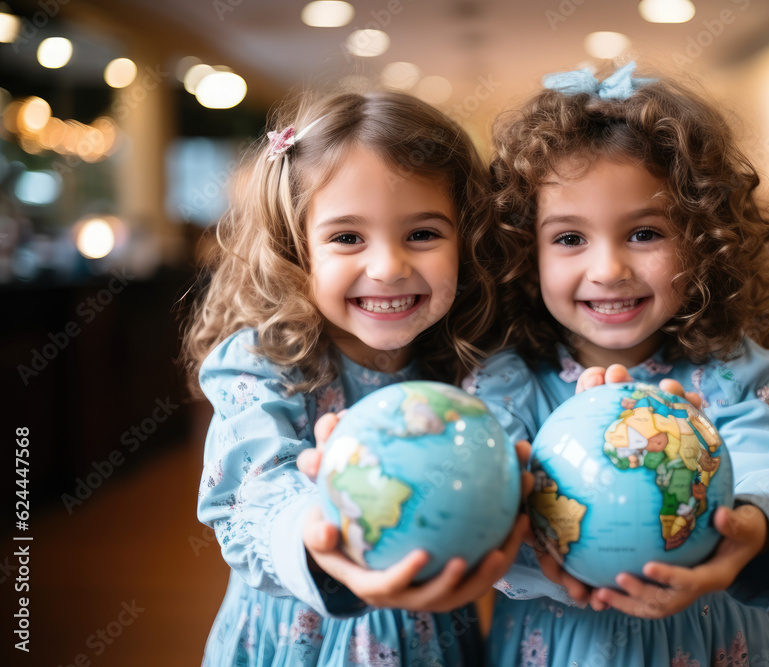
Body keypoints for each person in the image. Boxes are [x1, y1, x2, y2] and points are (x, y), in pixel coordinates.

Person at [467, 62, 769, 665]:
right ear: (522, 249)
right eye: (569, 238)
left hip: (706, 639)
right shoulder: (507, 381)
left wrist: (747, 524)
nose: (610, 269)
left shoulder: (725, 371)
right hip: (560, 645)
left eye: (644, 233)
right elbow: (481, 510)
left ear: (700, 238)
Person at [181, 89, 528, 666]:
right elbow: (250, 493)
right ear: (297, 248)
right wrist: (316, 539)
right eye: (347, 237)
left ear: (466, 242)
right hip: (295, 641)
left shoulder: (478, 362)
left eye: (423, 233)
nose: (388, 267)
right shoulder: (262, 363)